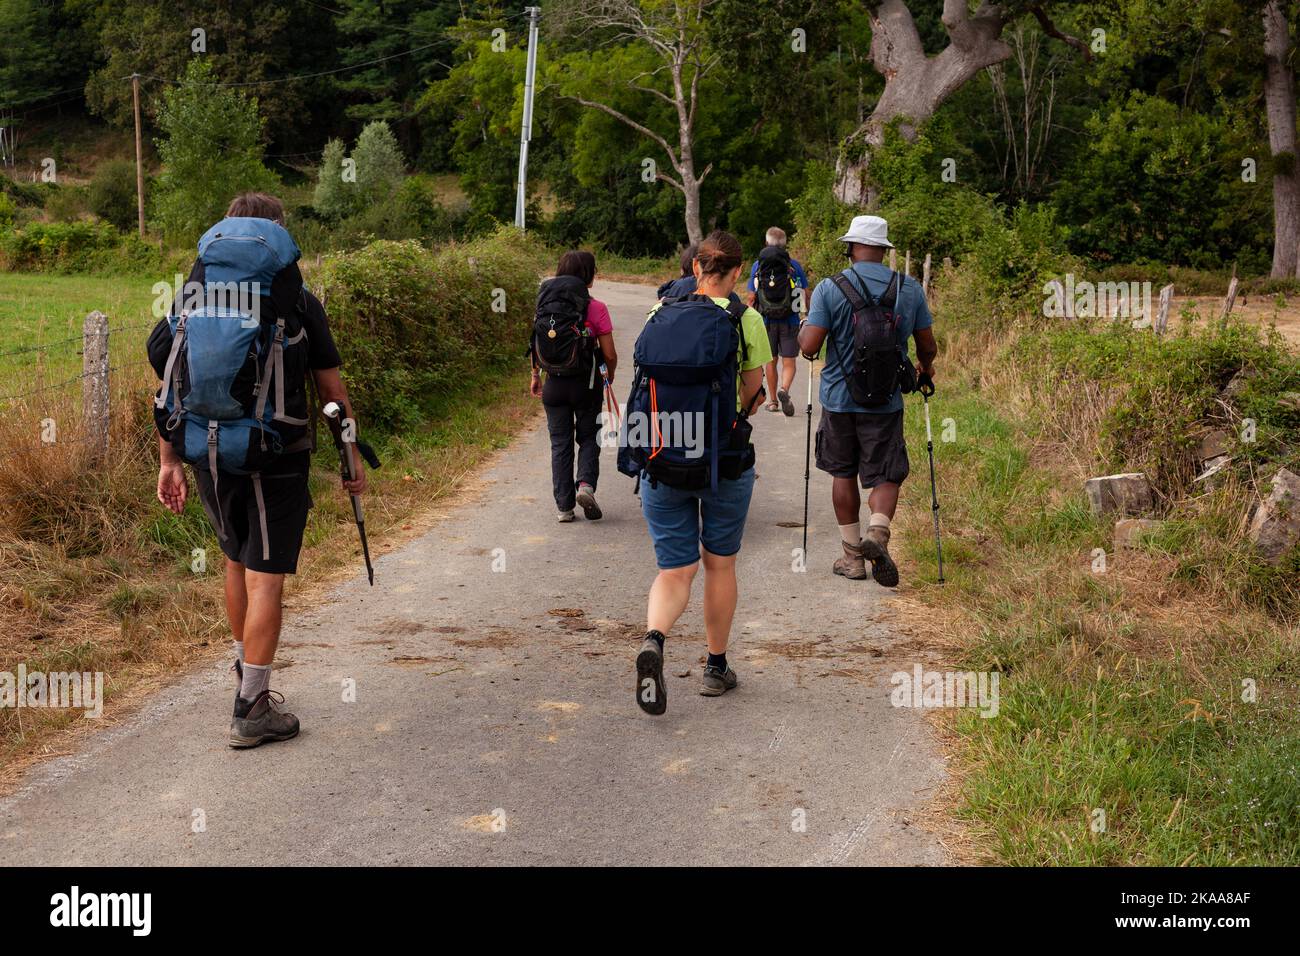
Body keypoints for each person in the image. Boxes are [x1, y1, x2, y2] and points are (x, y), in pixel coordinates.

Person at [150, 191, 366, 748]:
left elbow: (166, 376)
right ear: (276, 240)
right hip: (277, 453)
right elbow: (333, 395)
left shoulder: (193, 295)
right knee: (265, 574)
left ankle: (248, 674)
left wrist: (169, 457)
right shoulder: (296, 302)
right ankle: (251, 708)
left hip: (207, 448)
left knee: (234, 560)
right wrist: (350, 457)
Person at [630, 231, 771, 712]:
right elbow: (757, 393)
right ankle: (715, 667)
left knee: (673, 570)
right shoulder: (746, 319)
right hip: (723, 463)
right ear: (737, 273)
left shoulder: (657, 314)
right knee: (719, 563)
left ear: (694, 269)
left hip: (663, 457)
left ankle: (655, 639)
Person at [796, 215, 937, 587]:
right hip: (886, 400)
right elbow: (927, 345)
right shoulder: (909, 289)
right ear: (883, 249)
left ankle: (852, 558)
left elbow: (809, 347)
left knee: (842, 473)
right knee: (888, 472)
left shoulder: (830, 287)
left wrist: (803, 330)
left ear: (852, 247)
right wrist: (926, 368)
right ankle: (878, 532)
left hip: (839, 401)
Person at [530, 251, 617, 522]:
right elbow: (610, 354)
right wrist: (608, 376)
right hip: (586, 385)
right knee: (589, 436)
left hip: (553, 384)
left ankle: (564, 508)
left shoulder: (545, 304)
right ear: (588, 277)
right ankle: (585, 486)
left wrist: (535, 376)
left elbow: (536, 343)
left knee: (560, 443)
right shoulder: (597, 308)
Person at [748, 227, 808, 417]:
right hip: (790, 319)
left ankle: (773, 401)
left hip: (766, 320)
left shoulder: (757, 266)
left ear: (766, 243)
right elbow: (803, 293)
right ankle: (784, 389)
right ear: (785, 245)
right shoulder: (794, 265)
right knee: (789, 362)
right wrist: (804, 314)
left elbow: (751, 296)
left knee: (771, 361)